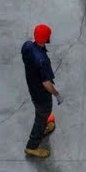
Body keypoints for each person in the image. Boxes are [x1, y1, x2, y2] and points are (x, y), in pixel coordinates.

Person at [21, 24, 62, 158]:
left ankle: (44, 123)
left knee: (42, 112)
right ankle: (32, 146)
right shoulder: (42, 60)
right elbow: (46, 83)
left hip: (32, 87)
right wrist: (56, 93)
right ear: (46, 39)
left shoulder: (27, 46)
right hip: (41, 93)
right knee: (42, 116)